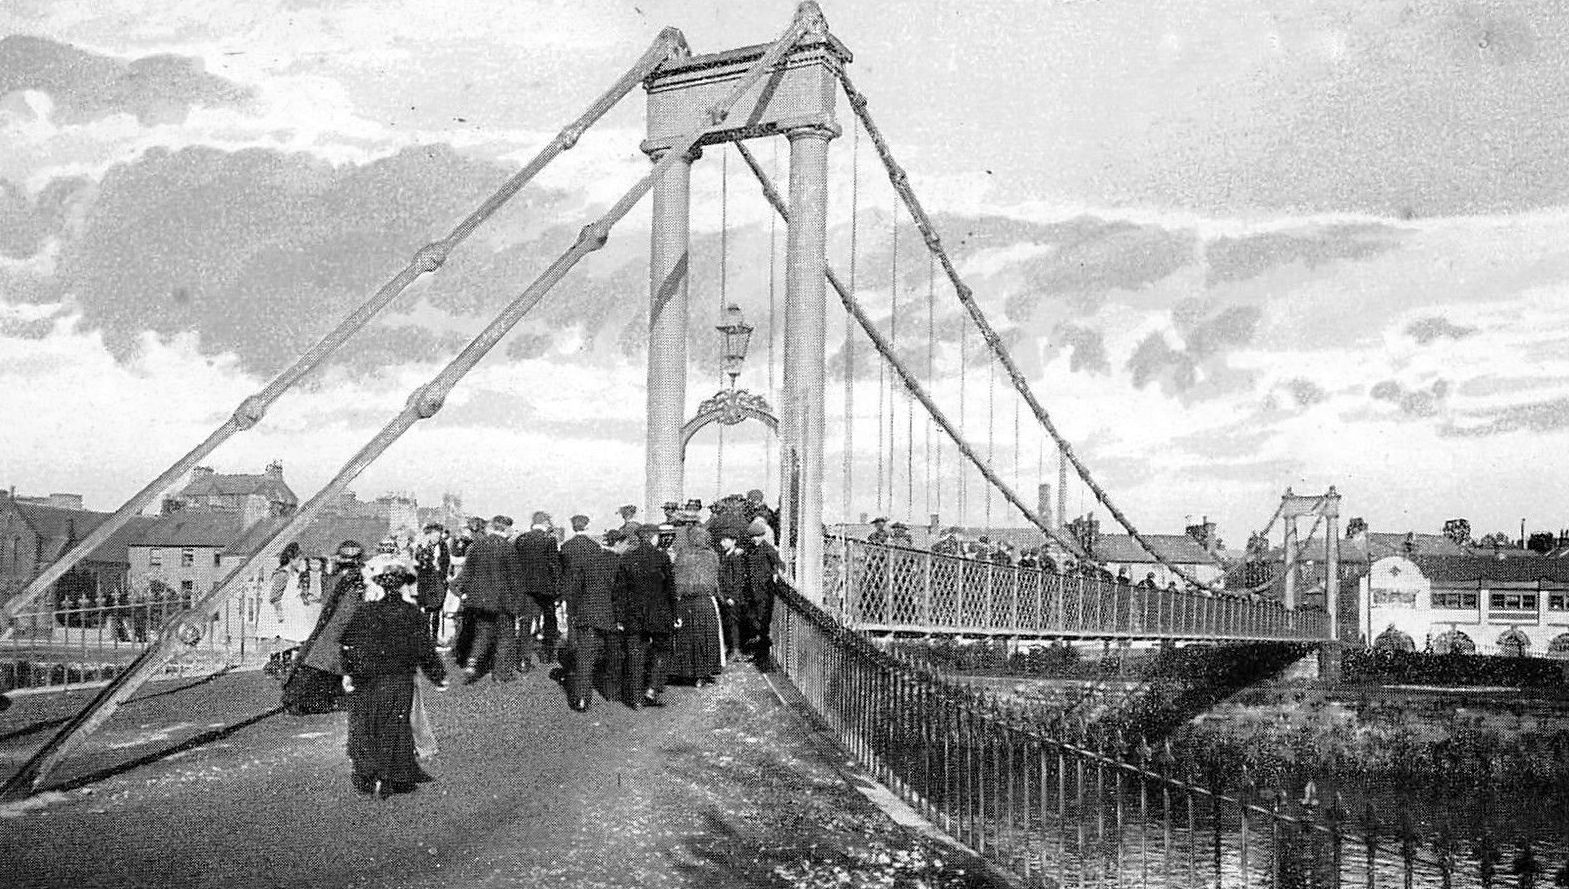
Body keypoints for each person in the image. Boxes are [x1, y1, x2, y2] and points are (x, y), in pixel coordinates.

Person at [340, 557, 448, 797]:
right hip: (400, 678)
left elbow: (349, 644)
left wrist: (349, 673)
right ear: (401, 585)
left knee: (369, 724)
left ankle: (370, 771)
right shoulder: (411, 613)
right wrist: (437, 675)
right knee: (395, 724)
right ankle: (389, 774)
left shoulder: (365, 612)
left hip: (369, 678)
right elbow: (424, 648)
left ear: (379, 584)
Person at [282, 540, 368, 715]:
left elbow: (328, 600)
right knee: (331, 662)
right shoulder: (357, 580)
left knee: (320, 659)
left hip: (329, 627)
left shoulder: (335, 578)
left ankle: (305, 699)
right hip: (340, 628)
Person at [611, 525, 678, 708]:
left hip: (634, 615)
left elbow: (620, 592)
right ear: (653, 537)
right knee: (662, 650)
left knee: (635, 655)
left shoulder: (626, 558)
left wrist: (619, 617)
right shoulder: (662, 557)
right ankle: (652, 688)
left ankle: (635, 699)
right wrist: (675, 613)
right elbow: (671, 589)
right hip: (659, 613)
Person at [458, 516, 527, 683]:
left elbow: (467, 572)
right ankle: (501, 674)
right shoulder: (508, 548)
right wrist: (519, 604)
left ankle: (472, 662)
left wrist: (465, 592)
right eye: (510, 528)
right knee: (505, 636)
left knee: (482, 634)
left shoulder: (478, 545)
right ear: (505, 529)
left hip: (480, 600)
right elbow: (515, 579)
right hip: (503, 601)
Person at [559, 528, 619, 711]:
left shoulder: (588, 562)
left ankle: (582, 698)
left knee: (585, 657)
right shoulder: (618, 562)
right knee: (613, 655)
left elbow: (575, 591)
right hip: (610, 615)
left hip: (587, 614)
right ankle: (611, 692)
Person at [668, 525, 724, 686]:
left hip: (685, 603)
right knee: (705, 638)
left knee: (686, 638)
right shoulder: (711, 555)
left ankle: (686, 671)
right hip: (703, 602)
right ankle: (703, 672)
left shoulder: (683, 554)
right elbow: (714, 580)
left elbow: (676, 580)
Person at [264, 541, 320, 678]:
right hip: (285, 613)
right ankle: (280, 666)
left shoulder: (294, 573)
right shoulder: (282, 574)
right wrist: (280, 613)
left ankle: (289, 666)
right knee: (288, 641)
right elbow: (274, 596)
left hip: (294, 612)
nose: (301, 562)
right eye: (299, 559)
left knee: (298, 639)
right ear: (291, 559)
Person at [515, 511, 564, 663]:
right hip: (546, 589)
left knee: (525, 622)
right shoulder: (549, 540)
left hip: (526, 588)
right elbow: (554, 565)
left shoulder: (521, 539)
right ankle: (548, 654)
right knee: (549, 619)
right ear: (545, 523)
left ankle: (524, 659)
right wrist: (558, 589)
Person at [743, 517, 783, 669]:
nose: (754, 539)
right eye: (752, 537)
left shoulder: (767, 549)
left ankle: (762, 657)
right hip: (753, 591)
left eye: (757, 537)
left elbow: (779, 564)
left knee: (762, 624)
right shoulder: (751, 549)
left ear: (762, 536)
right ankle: (758, 654)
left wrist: (774, 574)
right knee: (755, 622)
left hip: (764, 592)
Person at [413, 524, 450, 643]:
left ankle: (434, 637)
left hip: (438, 581)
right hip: (426, 581)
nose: (437, 539)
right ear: (429, 535)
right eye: (434, 536)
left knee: (437, 609)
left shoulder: (443, 546)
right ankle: (424, 637)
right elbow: (418, 563)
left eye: (439, 536)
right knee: (426, 609)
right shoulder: (422, 547)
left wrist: (443, 576)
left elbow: (446, 562)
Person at [715, 527, 747, 659]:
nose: (722, 543)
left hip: (732, 597)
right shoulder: (726, 556)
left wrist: (733, 597)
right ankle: (732, 648)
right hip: (725, 596)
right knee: (728, 622)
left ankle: (735, 650)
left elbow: (739, 579)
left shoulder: (735, 558)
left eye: (725, 540)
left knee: (733, 623)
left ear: (733, 541)